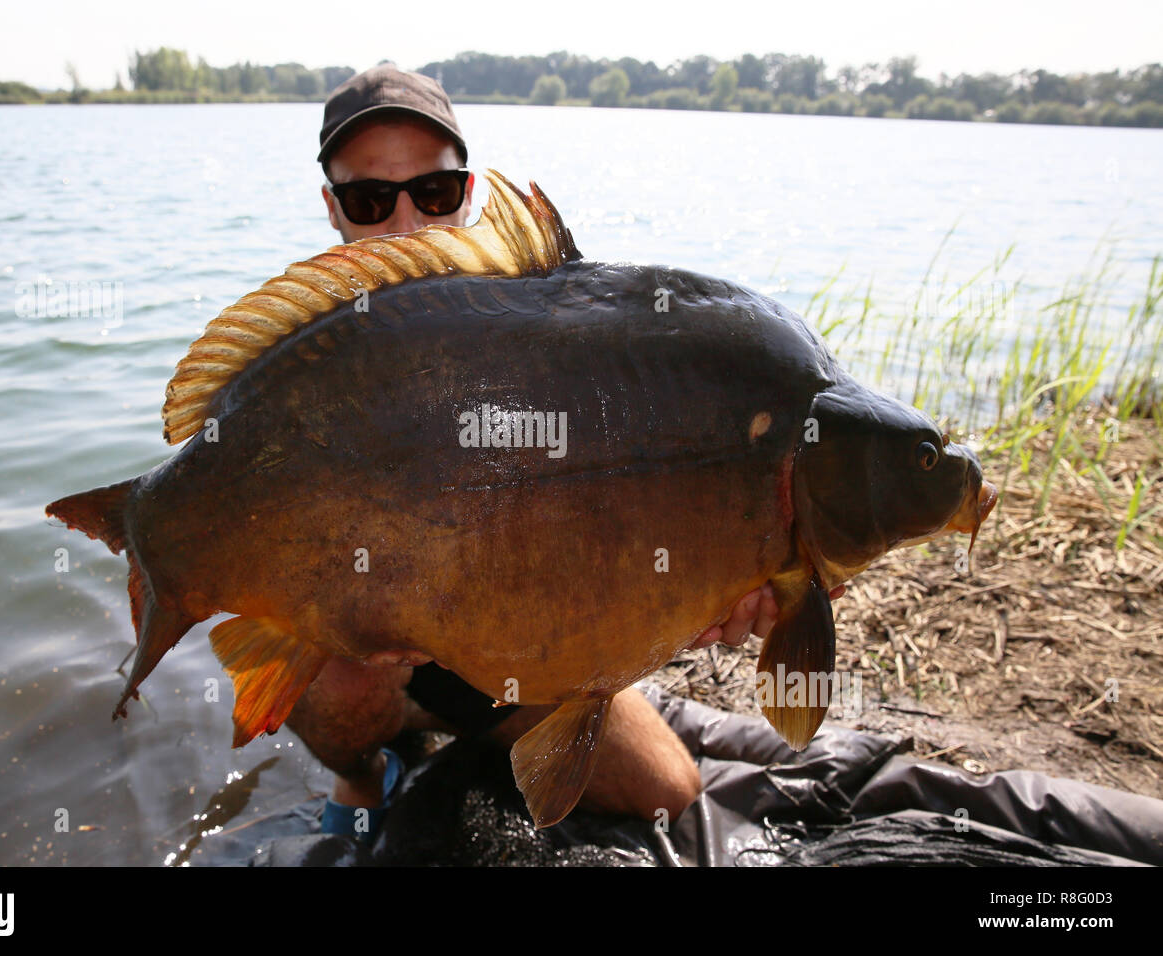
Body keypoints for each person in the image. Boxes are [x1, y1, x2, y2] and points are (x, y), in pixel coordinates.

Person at [288, 64, 820, 838]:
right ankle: (363, 767)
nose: (405, 224)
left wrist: (712, 581)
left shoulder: (543, 322)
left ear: (466, 194)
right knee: (337, 693)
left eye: (432, 194)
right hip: (370, 636)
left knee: (668, 790)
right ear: (333, 209)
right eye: (371, 200)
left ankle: (472, 731)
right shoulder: (303, 356)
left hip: (515, 637)